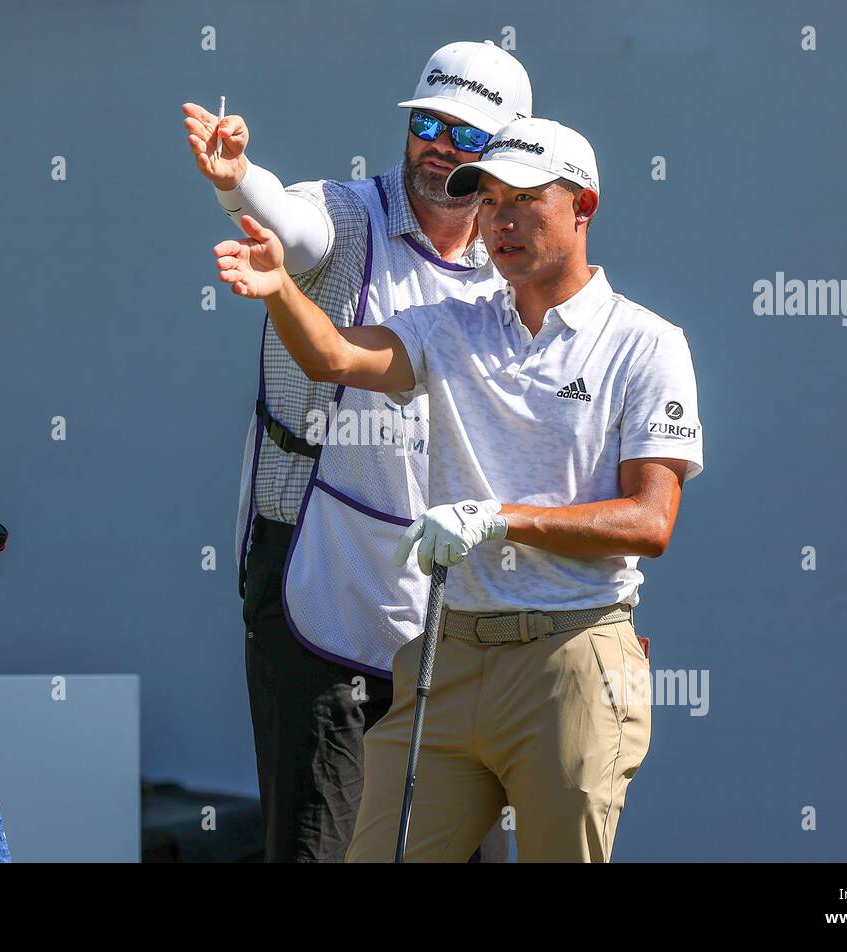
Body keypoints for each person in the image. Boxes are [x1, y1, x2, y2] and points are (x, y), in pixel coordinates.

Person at [211, 117, 705, 862]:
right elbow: (336, 355)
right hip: (449, 656)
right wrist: (279, 286)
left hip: (571, 658)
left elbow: (649, 521)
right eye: (490, 201)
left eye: (524, 201)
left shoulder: (646, 343)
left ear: (584, 207)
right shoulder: (454, 325)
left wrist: (499, 520)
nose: (498, 221)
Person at [182, 40, 532, 861]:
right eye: (429, 124)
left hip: (450, 606)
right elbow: (288, 225)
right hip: (314, 583)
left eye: (468, 135)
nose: (440, 144)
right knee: (320, 844)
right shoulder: (349, 213)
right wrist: (237, 181)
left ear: (506, 156)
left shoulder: (511, 267)